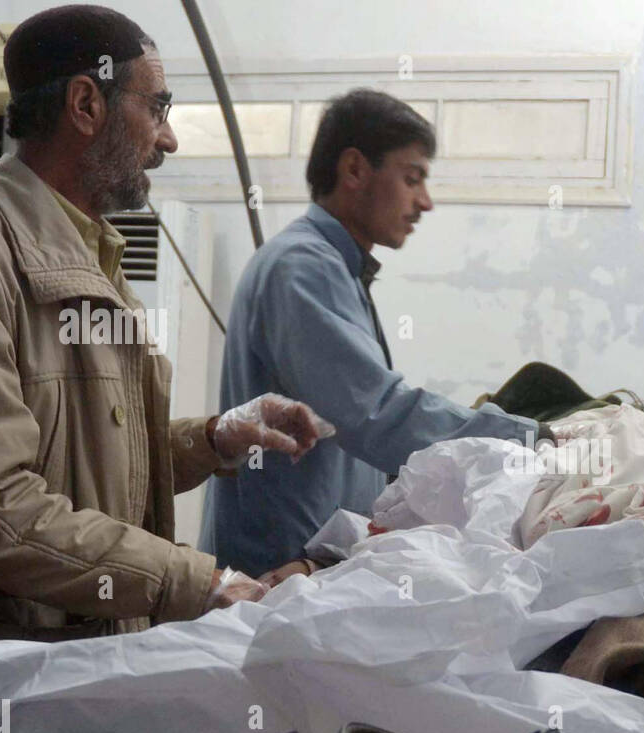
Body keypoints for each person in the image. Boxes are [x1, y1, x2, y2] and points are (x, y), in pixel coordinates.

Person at [0, 5, 329, 663]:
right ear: (85, 104)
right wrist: (200, 583)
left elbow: (91, 459)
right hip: (6, 685)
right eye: (156, 109)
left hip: (84, 660)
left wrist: (214, 437)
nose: (168, 140)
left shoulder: (92, 254)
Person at [198, 89, 548, 578]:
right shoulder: (303, 267)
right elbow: (375, 414)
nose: (425, 202)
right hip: (276, 568)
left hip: (309, 557)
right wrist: (530, 438)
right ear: (356, 169)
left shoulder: (332, 267)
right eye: (412, 179)